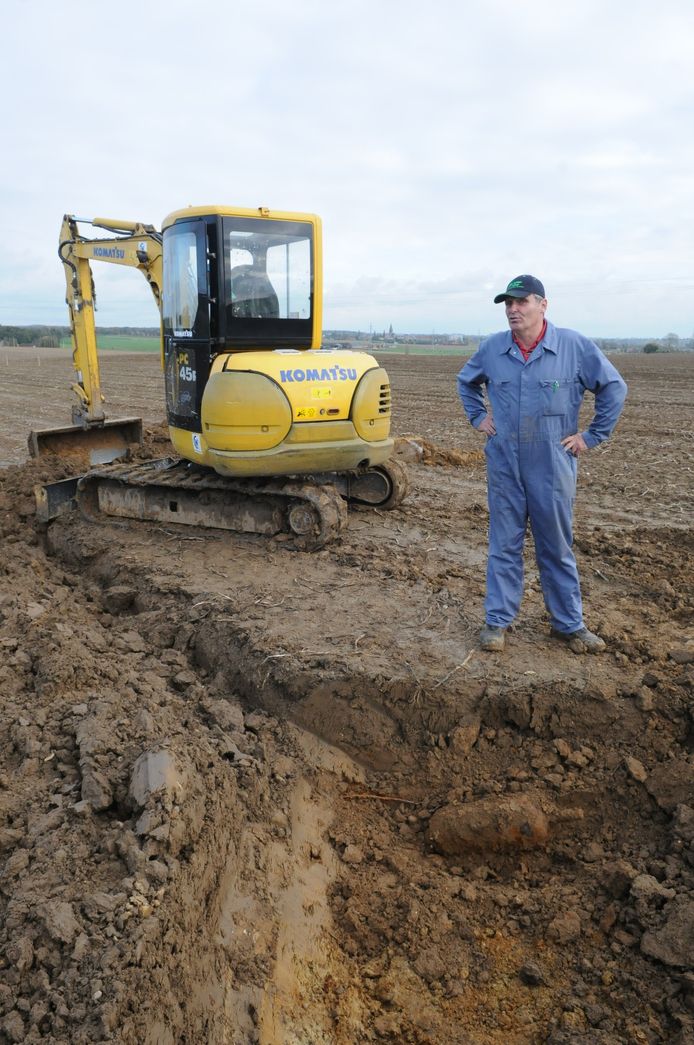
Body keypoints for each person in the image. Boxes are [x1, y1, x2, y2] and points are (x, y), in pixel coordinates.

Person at [457, 275, 627, 653]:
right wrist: (478, 417)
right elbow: (466, 382)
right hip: (505, 464)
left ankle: (568, 624)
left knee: (556, 546)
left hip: (552, 465)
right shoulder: (492, 349)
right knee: (504, 544)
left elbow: (614, 387)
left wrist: (590, 436)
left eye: (522, 302)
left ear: (542, 305)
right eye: (508, 304)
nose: (513, 310)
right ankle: (497, 622)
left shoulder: (573, 346)